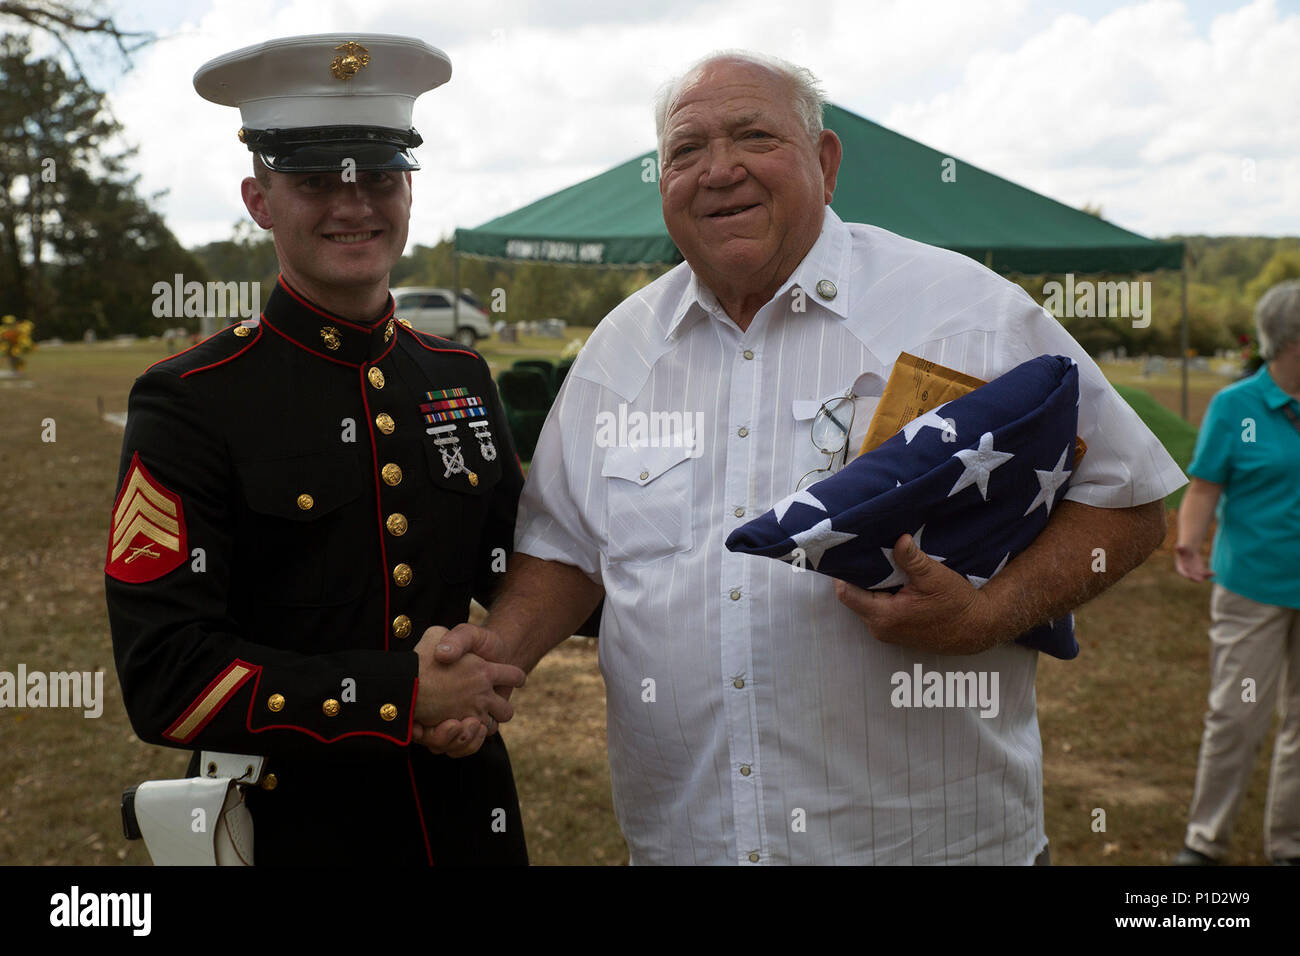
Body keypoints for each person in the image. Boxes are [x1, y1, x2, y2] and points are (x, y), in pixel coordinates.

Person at [422, 50, 1185, 864]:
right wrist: (492, 663)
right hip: (689, 843)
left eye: (754, 136)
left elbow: (1129, 497)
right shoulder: (620, 354)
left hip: (926, 845)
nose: (719, 170)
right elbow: (569, 553)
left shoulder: (959, 311)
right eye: (686, 151)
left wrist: (988, 616)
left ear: (825, 164)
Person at [105, 33, 529, 866]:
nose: (352, 204)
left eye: (377, 176)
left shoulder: (458, 373)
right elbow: (167, 678)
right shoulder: (191, 399)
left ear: (409, 187)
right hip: (288, 827)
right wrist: (402, 697)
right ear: (259, 199)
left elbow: (521, 564)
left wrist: (486, 673)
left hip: (463, 812)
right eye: (313, 181)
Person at [1173, 280, 1300, 866]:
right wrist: (1189, 544)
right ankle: (1205, 843)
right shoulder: (1236, 407)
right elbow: (1206, 484)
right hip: (1253, 586)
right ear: (1290, 342)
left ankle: (1290, 846)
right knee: (1238, 716)